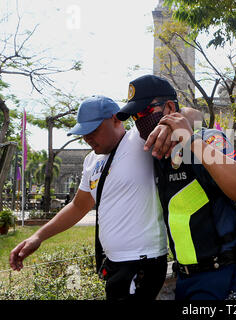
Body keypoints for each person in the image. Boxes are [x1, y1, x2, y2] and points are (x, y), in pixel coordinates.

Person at [116, 74, 236, 300]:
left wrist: (189, 138)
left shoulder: (206, 140)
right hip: (184, 278)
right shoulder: (156, 153)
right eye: (134, 116)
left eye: (144, 113)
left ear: (168, 107)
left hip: (220, 275)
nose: (139, 121)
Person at [9, 95, 168, 301]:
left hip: (142, 262)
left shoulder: (139, 139)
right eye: (84, 133)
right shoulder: (91, 161)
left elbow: (184, 116)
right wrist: (38, 237)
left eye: (93, 131)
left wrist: (190, 118)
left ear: (116, 119)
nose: (87, 138)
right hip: (113, 263)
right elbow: (78, 206)